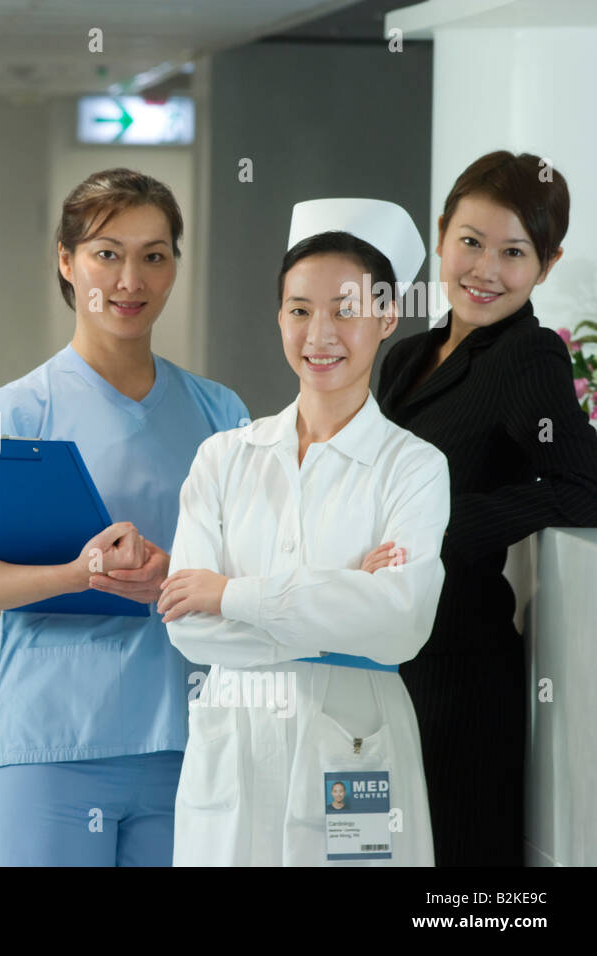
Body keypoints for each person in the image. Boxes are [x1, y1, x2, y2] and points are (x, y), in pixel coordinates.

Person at [0, 168, 249, 867]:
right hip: (49, 747)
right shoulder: (15, 414)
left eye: (155, 255)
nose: (131, 280)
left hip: (186, 741)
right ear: (66, 261)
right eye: (107, 253)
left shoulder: (221, 416)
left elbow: (253, 569)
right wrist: (78, 573)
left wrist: (174, 577)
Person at [162, 199, 451, 866]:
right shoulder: (225, 458)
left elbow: (401, 622)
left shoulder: (412, 467)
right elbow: (184, 620)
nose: (319, 333)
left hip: (355, 735)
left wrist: (232, 594)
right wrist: (344, 594)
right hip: (232, 734)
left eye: (345, 310)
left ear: (386, 317)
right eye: (299, 309)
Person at [377, 152, 597, 866]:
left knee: (467, 893)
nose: (485, 269)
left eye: (514, 253)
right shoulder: (408, 355)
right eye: (470, 241)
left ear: (548, 263)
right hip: (392, 656)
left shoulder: (528, 356)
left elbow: (584, 484)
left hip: (461, 675)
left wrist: (451, 526)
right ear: (441, 234)